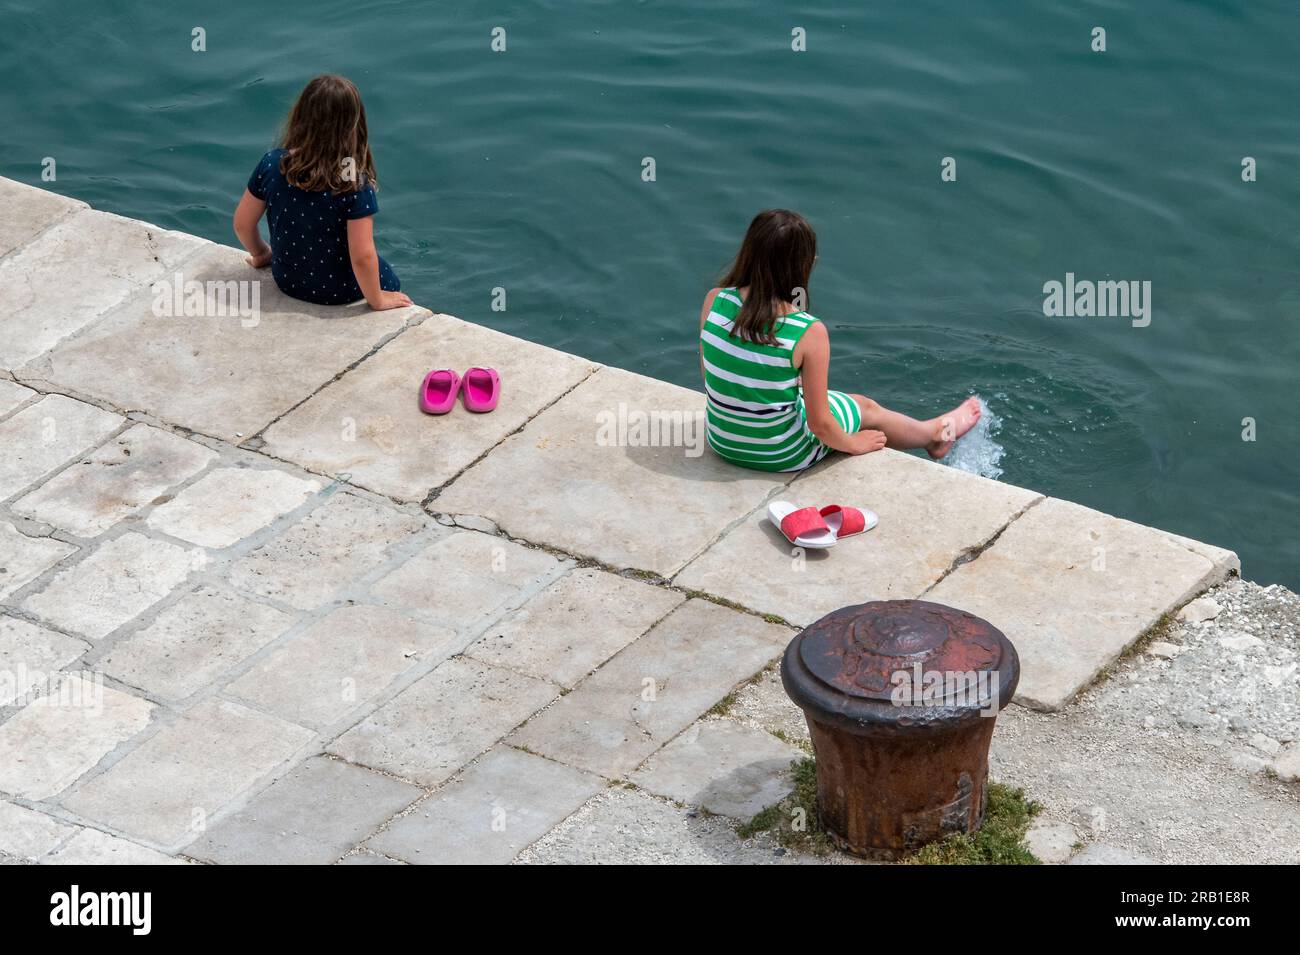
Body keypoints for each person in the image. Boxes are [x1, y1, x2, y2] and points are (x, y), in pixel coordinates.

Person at [699, 209, 981, 472]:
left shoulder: (715, 300)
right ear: (804, 265)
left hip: (723, 443)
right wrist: (853, 443)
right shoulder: (807, 331)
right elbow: (820, 424)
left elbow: (713, 374)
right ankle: (934, 436)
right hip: (781, 454)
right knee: (863, 406)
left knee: (793, 388)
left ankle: (933, 434)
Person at [233, 74, 412, 310]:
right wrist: (377, 299)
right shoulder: (353, 182)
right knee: (388, 277)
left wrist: (262, 253)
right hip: (340, 291)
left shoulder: (272, 164)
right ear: (354, 125)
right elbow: (362, 256)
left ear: (300, 115)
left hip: (288, 281)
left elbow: (242, 224)